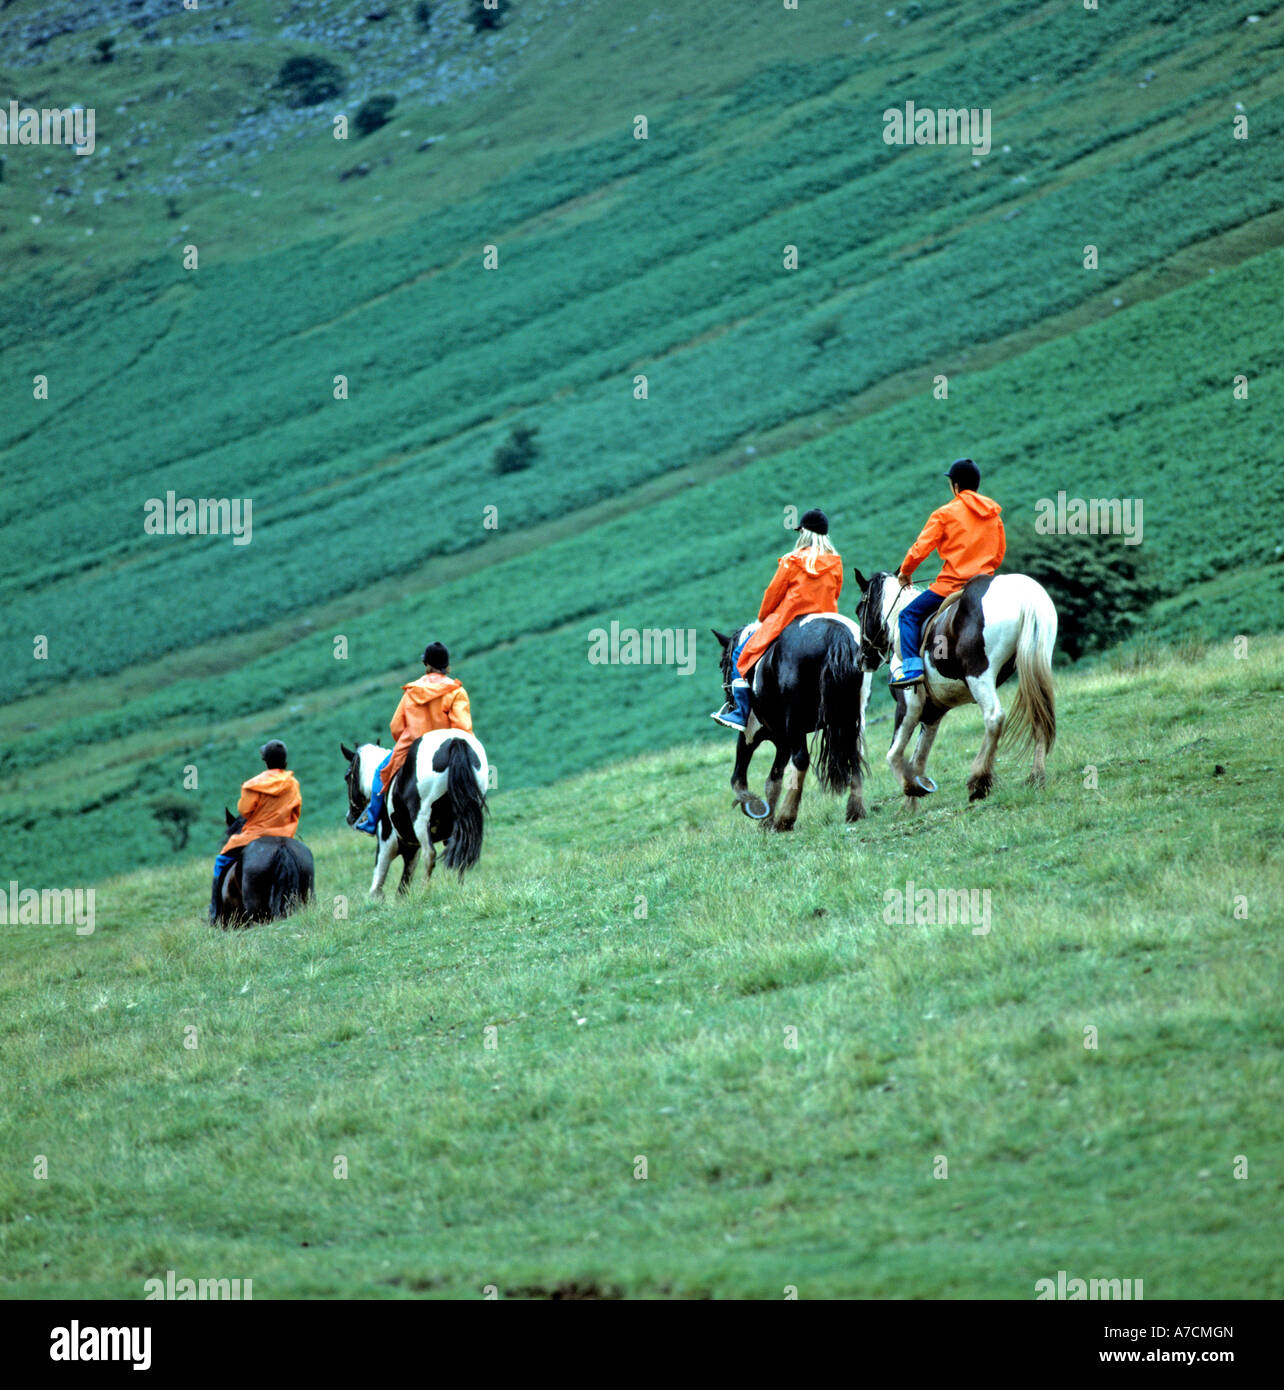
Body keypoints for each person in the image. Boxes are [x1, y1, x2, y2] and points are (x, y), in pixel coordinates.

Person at [711, 509, 843, 731]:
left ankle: (740, 713)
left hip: (788, 618)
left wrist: (763, 618)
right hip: (825, 618)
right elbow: (835, 593)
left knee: (740, 654)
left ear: (804, 533)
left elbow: (772, 594)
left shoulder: (791, 561)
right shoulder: (836, 562)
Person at [889, 458, 1006, 688]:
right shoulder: (993, 513)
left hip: (951, 587)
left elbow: (920, 548)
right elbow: (1000, 552)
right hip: (984, 584)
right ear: (976, 484)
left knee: (908, 616)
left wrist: (906, 571)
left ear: (955, 486)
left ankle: (912, 669)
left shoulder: (945, 513)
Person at [354, 642, 473, 834]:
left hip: (412, 747)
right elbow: (463, 728)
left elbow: (396, 727)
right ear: (447, 666)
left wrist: (404, 739)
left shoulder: (411, 692)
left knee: (380, 773)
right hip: (447, 749)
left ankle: (371, 821)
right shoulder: (456, 692)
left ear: (426, 664)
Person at [209, 740, 301, 921]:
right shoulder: (292, 783)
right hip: (285, 834)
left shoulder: (253, 785)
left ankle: (215, 911)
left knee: (221, 862)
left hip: (255, 835)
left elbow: (244, 810)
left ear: (265, 762)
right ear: (285, 762)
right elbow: (296, 809)